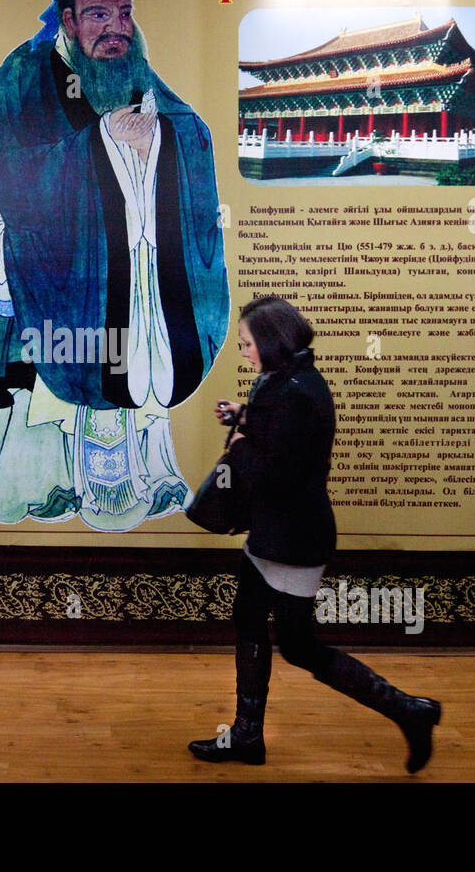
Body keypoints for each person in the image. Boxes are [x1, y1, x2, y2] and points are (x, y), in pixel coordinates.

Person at [0, 0, 228, 530]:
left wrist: (158, 138)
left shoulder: (130, 67)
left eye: (125, 13)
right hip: (41, 262)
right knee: (38, 373)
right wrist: (101, 142)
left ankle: (137, 476)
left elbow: (188, 129)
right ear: (66, 20)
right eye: (98, 15)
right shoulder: (23, 71)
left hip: (126, 267)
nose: (117, 29)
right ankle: (46, 482)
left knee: (130, 352)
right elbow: (6, 170)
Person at [188, 296, 442, 772]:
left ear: (269, 341)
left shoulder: (298, 392)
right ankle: (245, 736)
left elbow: (278, 475)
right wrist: (244, 414)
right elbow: (281, 436)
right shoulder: (287, 381)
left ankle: (409, 710)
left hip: (292, 539)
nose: (243, 352)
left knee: (299, 646)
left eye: (246, 343)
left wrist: (241, 445)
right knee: (248, 616)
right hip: (274, 533)